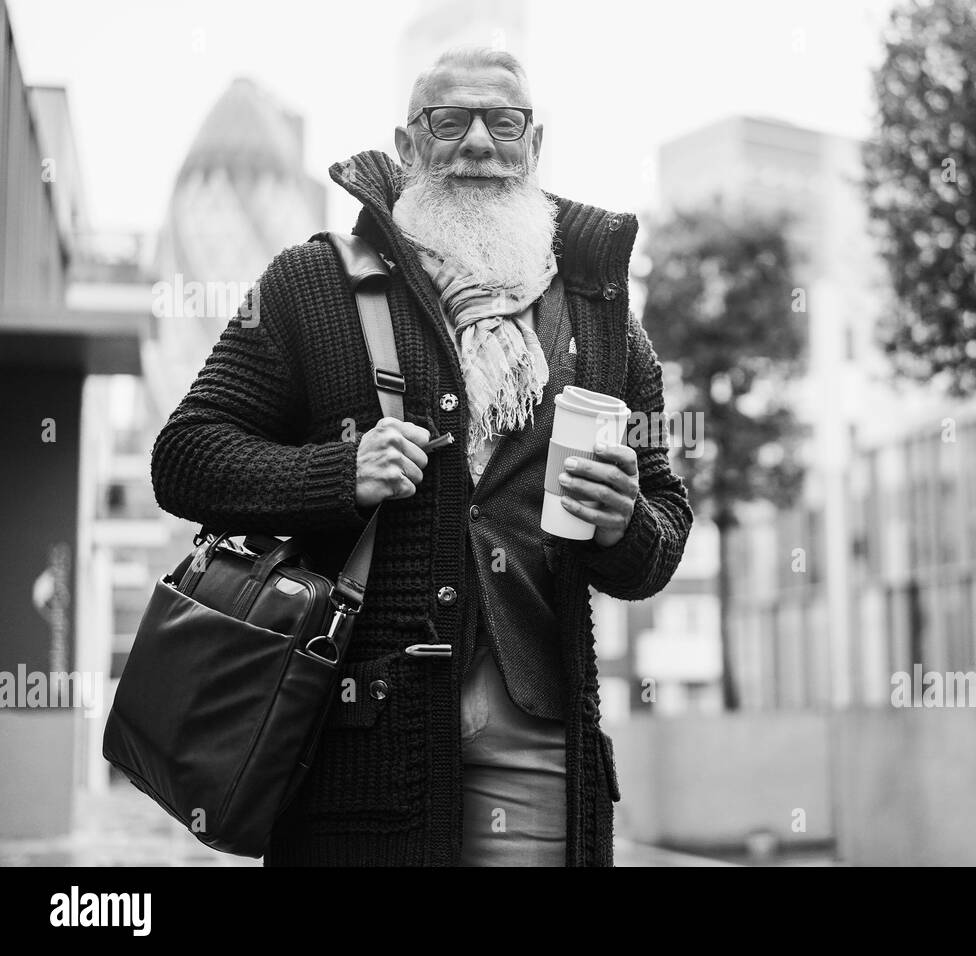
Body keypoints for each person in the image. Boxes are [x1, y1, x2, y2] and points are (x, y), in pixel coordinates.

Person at [150, 45, 693, 866]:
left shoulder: (606, 324)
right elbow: (185, 456)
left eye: (501, 122)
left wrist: (627, 525)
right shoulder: (311, 283)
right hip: (355, 754)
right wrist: (337, 474)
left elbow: (664, 524)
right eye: (449, 121)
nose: (477, 141)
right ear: (407, 149)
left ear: (533, 146)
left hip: (542, 757)